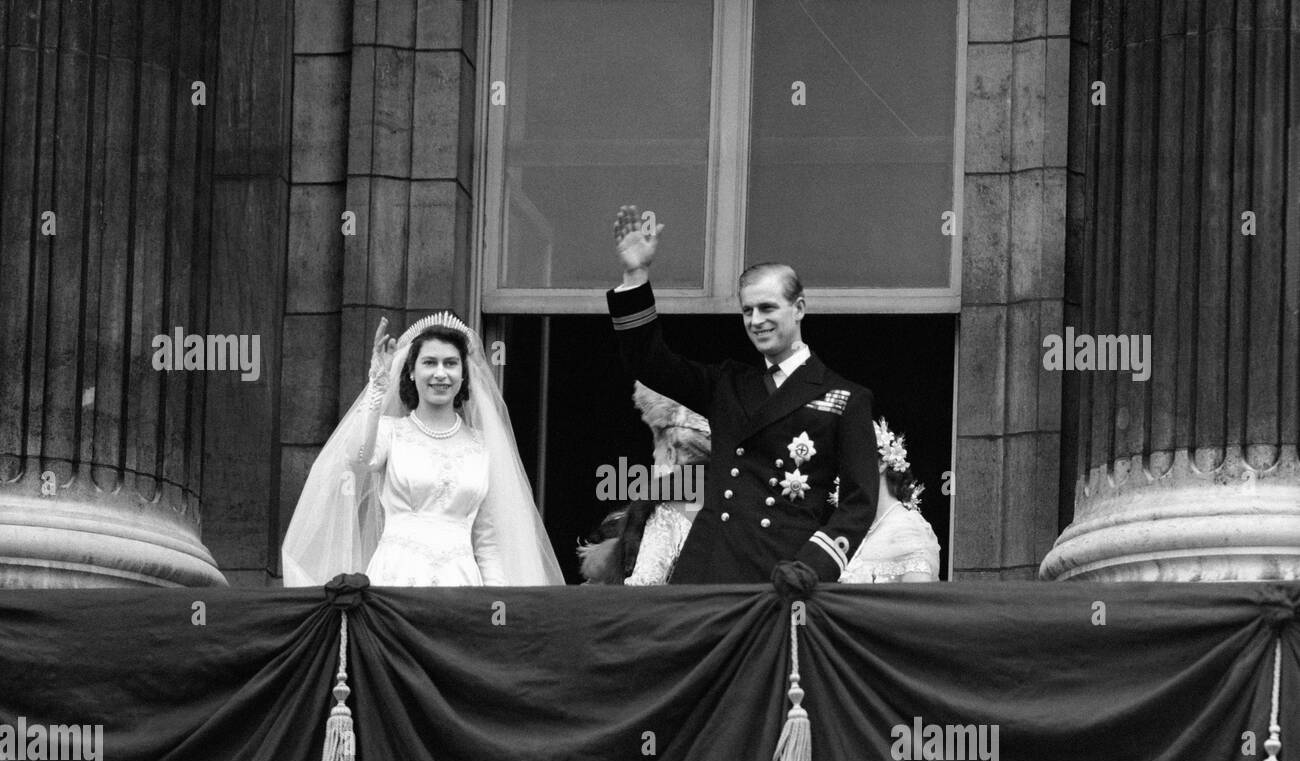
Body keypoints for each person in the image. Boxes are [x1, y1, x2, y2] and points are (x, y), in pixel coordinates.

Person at [605, 204, 878, 584]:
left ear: (799, 308)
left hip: (782, 575)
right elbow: (650, 364)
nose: (756, 321)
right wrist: (636, 275)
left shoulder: (844, 397)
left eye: (768, 308)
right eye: (747, 310)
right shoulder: (728, 384)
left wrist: (811, 568)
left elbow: (858, 504)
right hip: (707, 569)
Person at [281, 311, 563, 588]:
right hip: (396, 578)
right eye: (430, 362)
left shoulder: (482, 446)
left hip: (460, 583)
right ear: (412, 372)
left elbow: (488, 540)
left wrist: (491, 602)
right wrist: (377, 385)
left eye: (451, 363)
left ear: (464, 374)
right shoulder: (391, 432)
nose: (440, 373)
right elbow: (358, 455)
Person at [577, 382, 711, 584]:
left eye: (657, 446)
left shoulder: (668, 512)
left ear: (670, 453)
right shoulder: (735, 503)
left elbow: (644, 586)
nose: (653, 454)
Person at [840, 419, 941, 583]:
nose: (847, 472)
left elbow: (918, 604)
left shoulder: (908, 527)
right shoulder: (855, 529)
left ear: (880, 464)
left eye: (855, 462)